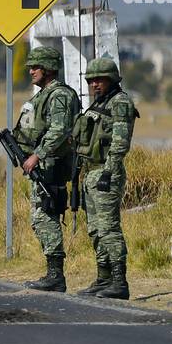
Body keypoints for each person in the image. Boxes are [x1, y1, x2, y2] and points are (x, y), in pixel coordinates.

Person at [13, 46, 81, 292]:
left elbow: (60, 130)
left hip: (51, 165)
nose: (31, 71)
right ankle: (53, 274)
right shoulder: (42, 95)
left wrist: (37, 155)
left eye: (36, 67)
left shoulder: (59, 95)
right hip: (43, 165)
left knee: (46, 216)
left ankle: (56, 276)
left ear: (49, 69)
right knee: (40, 218)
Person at [72, 57, 138, 299]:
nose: (95, 85)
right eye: (91, 81)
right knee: (95, 229)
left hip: (106, 173)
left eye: (100, 80)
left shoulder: (120, 103)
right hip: (90, 173)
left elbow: (120, 143)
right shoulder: (98, 104)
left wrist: (108, 172)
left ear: (111, 80)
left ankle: (120, 281)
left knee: (109, 228)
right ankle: (103, 278)